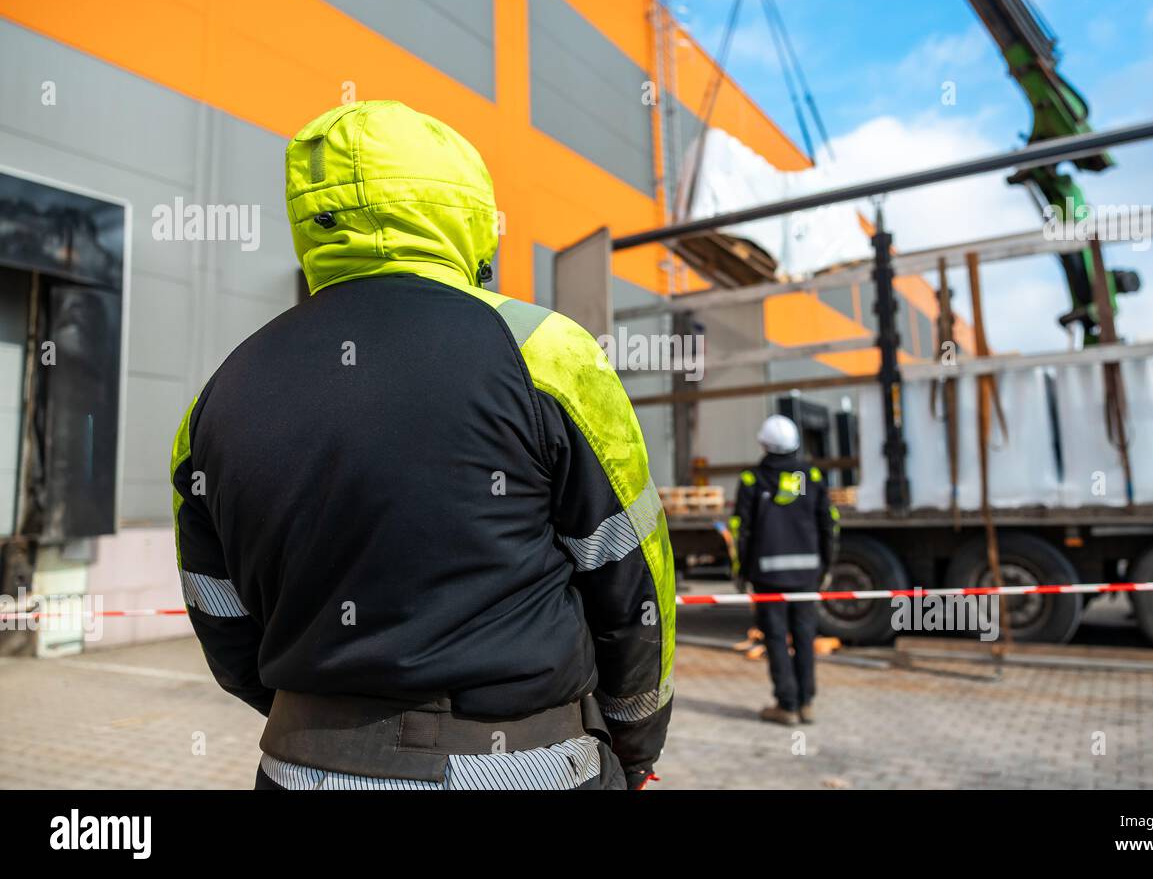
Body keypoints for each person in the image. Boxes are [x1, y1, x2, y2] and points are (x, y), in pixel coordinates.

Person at [170, 100, 674, 790]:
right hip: (521, 767)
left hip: (300, 770)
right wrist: (635, 737)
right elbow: (630, 569)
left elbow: (220, 614)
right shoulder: (542, 351)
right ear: (464, 210)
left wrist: (328, 723)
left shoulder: (216, 399)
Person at [730, 414, 837, 725]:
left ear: (764, 443)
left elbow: (742, 530)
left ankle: (786, 705)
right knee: (804, 635)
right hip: (806, 576)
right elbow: (828, 523)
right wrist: (826, 566)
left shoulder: (753, 479)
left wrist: (741, 572)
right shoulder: (811, 476)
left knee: (776, 638)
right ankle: (806, 703)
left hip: (767, 577)